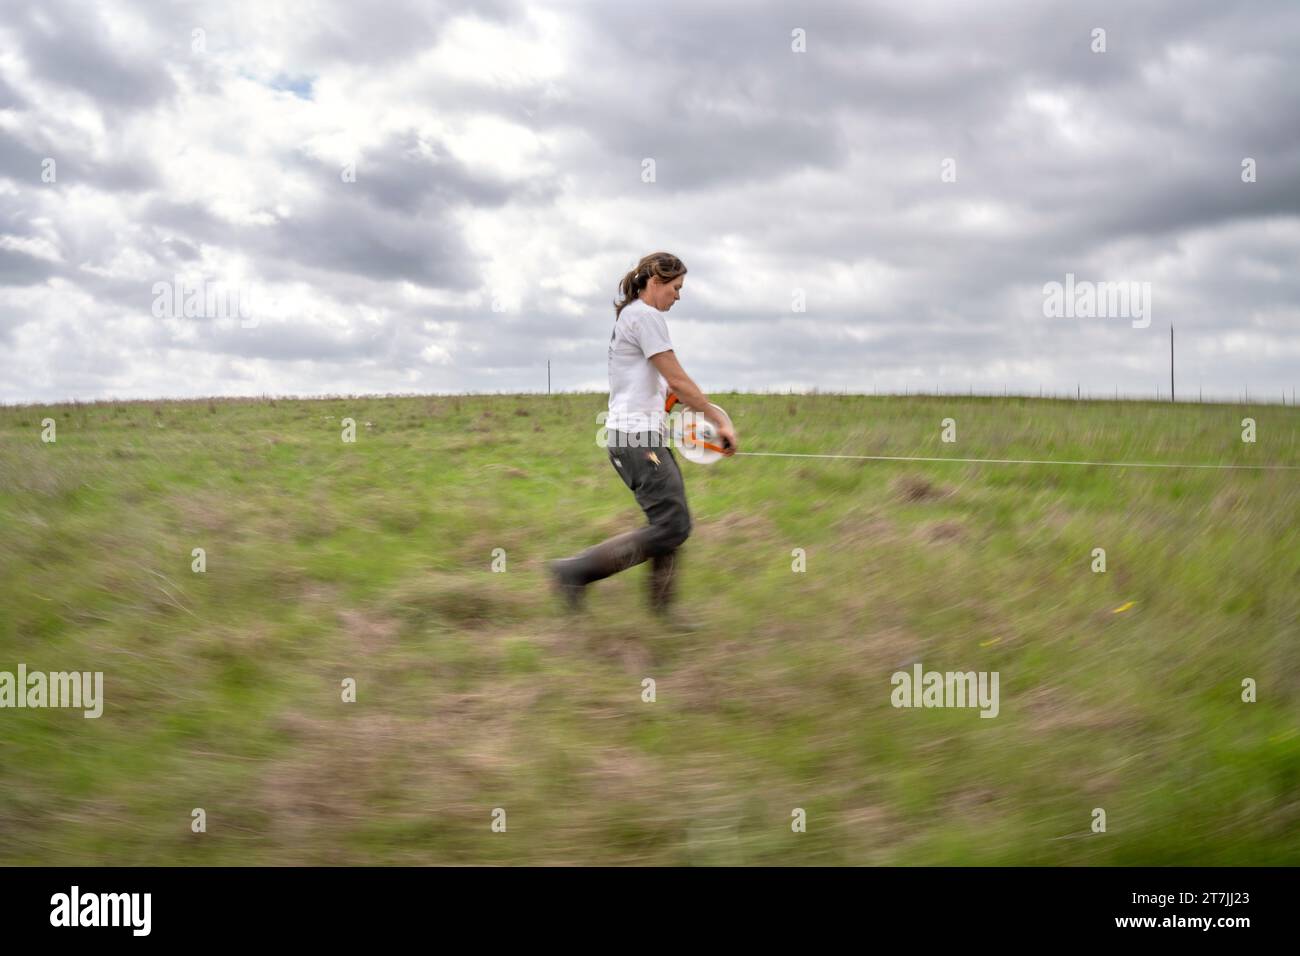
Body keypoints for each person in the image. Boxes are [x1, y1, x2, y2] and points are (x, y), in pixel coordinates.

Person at [548, 252, 739, 627]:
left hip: (635, 437)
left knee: (669, 521)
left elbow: (662, 387)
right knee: (672, 526)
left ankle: (663, 613)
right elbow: (680, 380)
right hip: (638, 441)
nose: (678, 297)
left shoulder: (631, 317)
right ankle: (575, 572)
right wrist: (718, 420)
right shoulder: (646, 317)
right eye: (676, 287)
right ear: (655, 280)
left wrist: (670, 403)